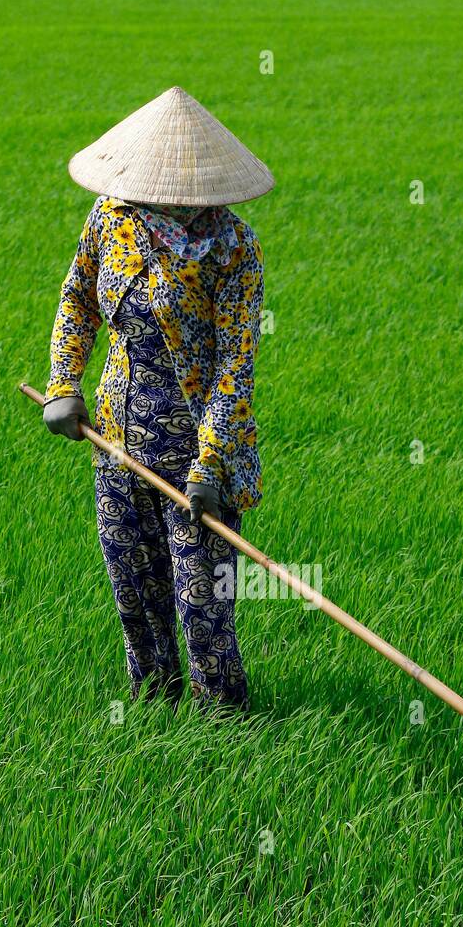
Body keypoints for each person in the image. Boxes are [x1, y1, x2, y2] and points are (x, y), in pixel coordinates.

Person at [43, 87, 273, 710]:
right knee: (136, 597)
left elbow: (235, 368)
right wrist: (65, 384)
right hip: (116, 444)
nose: (170, 198)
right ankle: (152, 714)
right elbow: (79, 300)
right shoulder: (111, 220)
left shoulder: (235, 250)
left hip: (201, 462)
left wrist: (209, 465)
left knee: (204, 611)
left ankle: (224, 729)